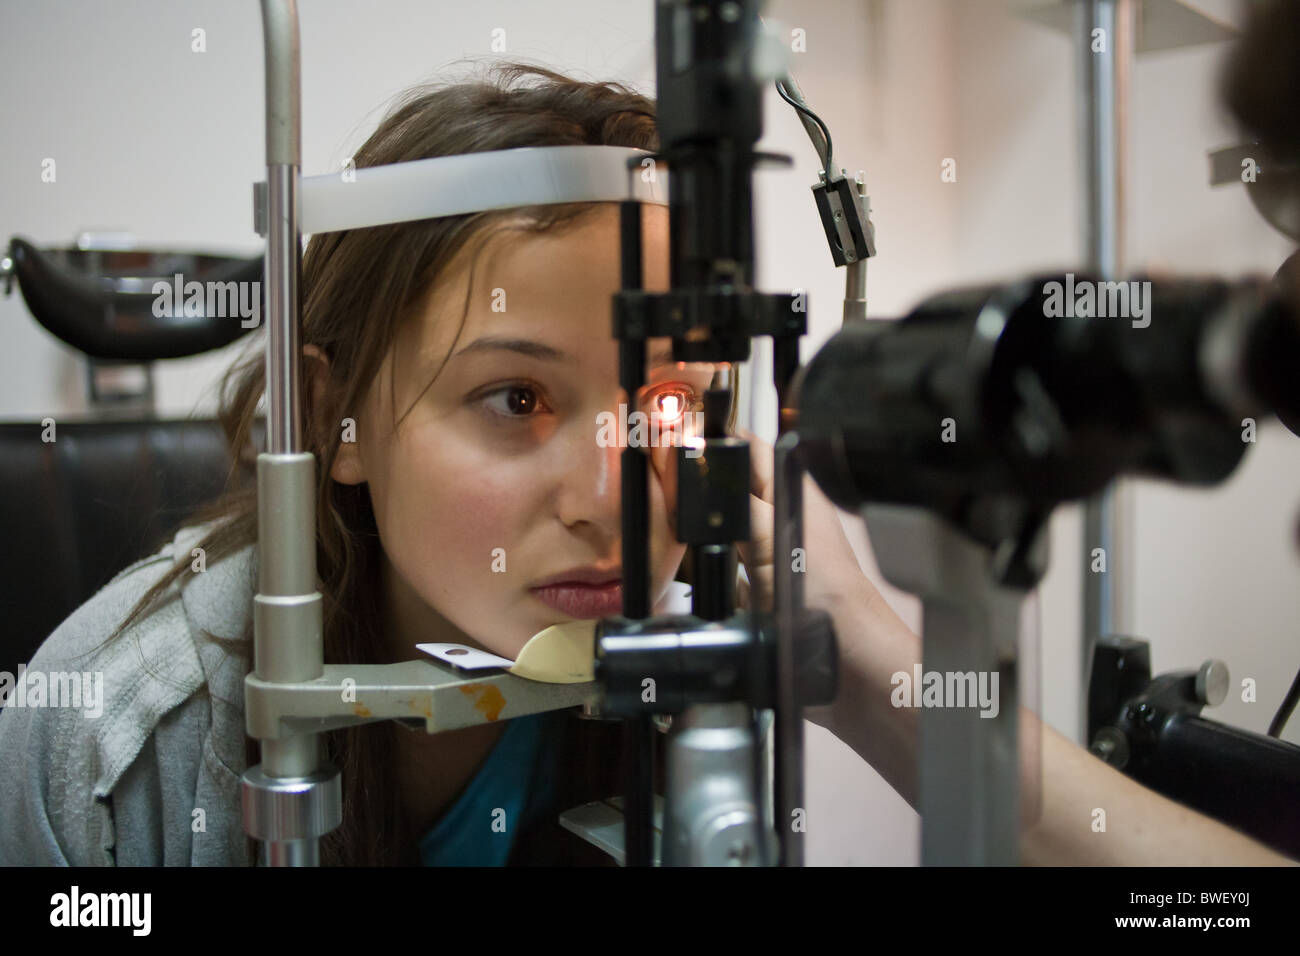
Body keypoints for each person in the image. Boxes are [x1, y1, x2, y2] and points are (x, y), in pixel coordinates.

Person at [0, 62, 1292, 867]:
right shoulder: (113, 746)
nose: (604, 494)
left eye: (671, 398)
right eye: (513, 397)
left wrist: (867, 661)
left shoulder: (694, 661)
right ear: (334, 416)